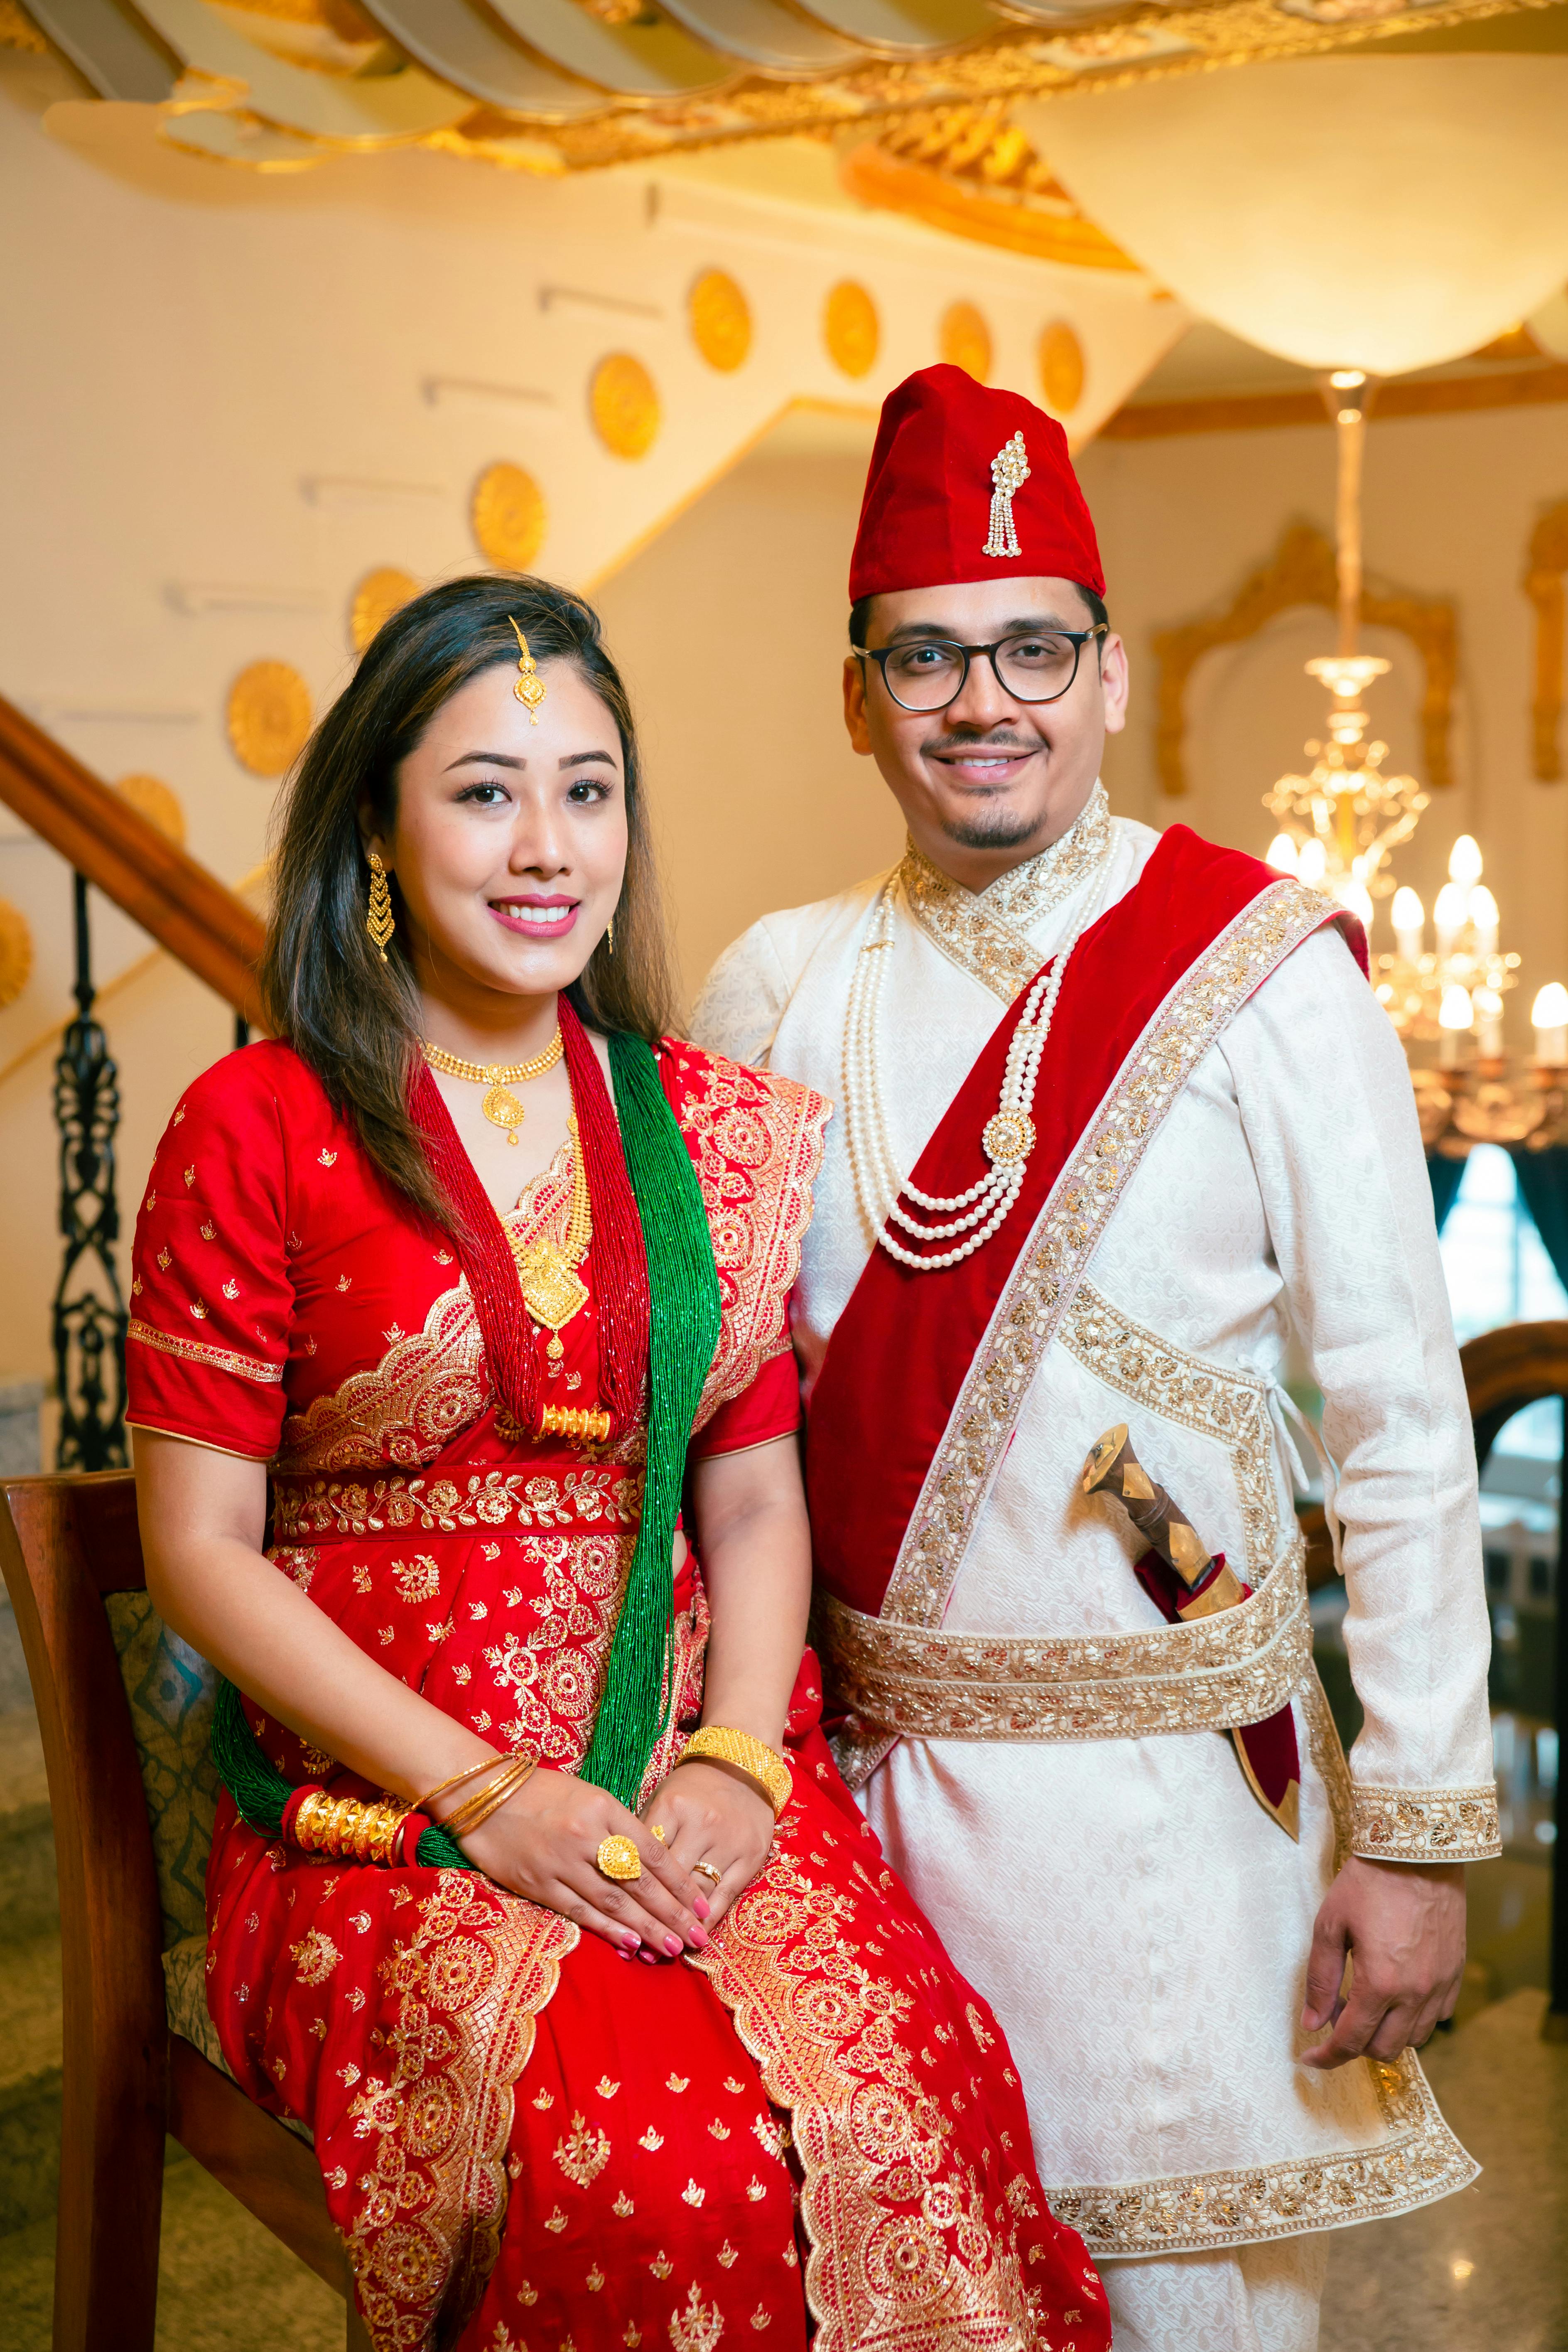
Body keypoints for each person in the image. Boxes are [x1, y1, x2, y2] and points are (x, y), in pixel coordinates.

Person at [126, 573, 1108, 2352]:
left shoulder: (701, 1127)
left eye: (586, 788)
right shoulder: (257, 1125)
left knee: (920, 2095)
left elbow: (747, 1492)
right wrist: (487, 1797)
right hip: (384, 1818)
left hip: (687, 1768)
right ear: (375, 819)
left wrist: (737, 1762)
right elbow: (198, 1550)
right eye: (484, 789)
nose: (545, 845)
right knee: (646, 2170)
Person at [691, 366, 1500, 2352]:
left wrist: (1412, 1832)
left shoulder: (1262, 967)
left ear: (1111, 676)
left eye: (1031, 648)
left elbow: (1400, 1427)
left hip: (1180, 1836)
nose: (985, 700)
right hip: (870, 1839)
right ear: (856, 692)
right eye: (926, 656)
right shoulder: (773, 983)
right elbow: (718, 1442)